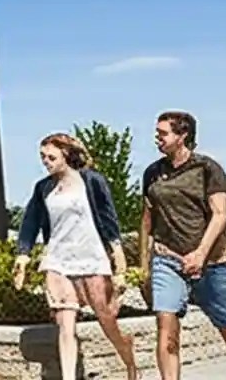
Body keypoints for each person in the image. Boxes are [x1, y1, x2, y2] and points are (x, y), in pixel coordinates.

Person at [140, 110, 226, 380]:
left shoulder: (207, 168)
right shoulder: (153, 173)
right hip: (167, 258)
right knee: (166, 325)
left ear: (182, 136)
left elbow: (220, 214)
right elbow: (147, 220)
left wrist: (200, 254)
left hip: (212, 263)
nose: (157, 138)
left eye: (163, 133)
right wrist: (144, 265)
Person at [13, 133, 136, 380]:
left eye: (51, 157)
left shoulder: (92, 182)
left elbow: (109, 218)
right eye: (42, 157)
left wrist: (118, 257)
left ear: (66, 155)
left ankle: (129, 359)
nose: (45, 162)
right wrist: (23, 256)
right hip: (58, 260)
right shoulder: (43, 188)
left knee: (107, 320)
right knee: (65, 327)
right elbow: (31, 222)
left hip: (91, 257)